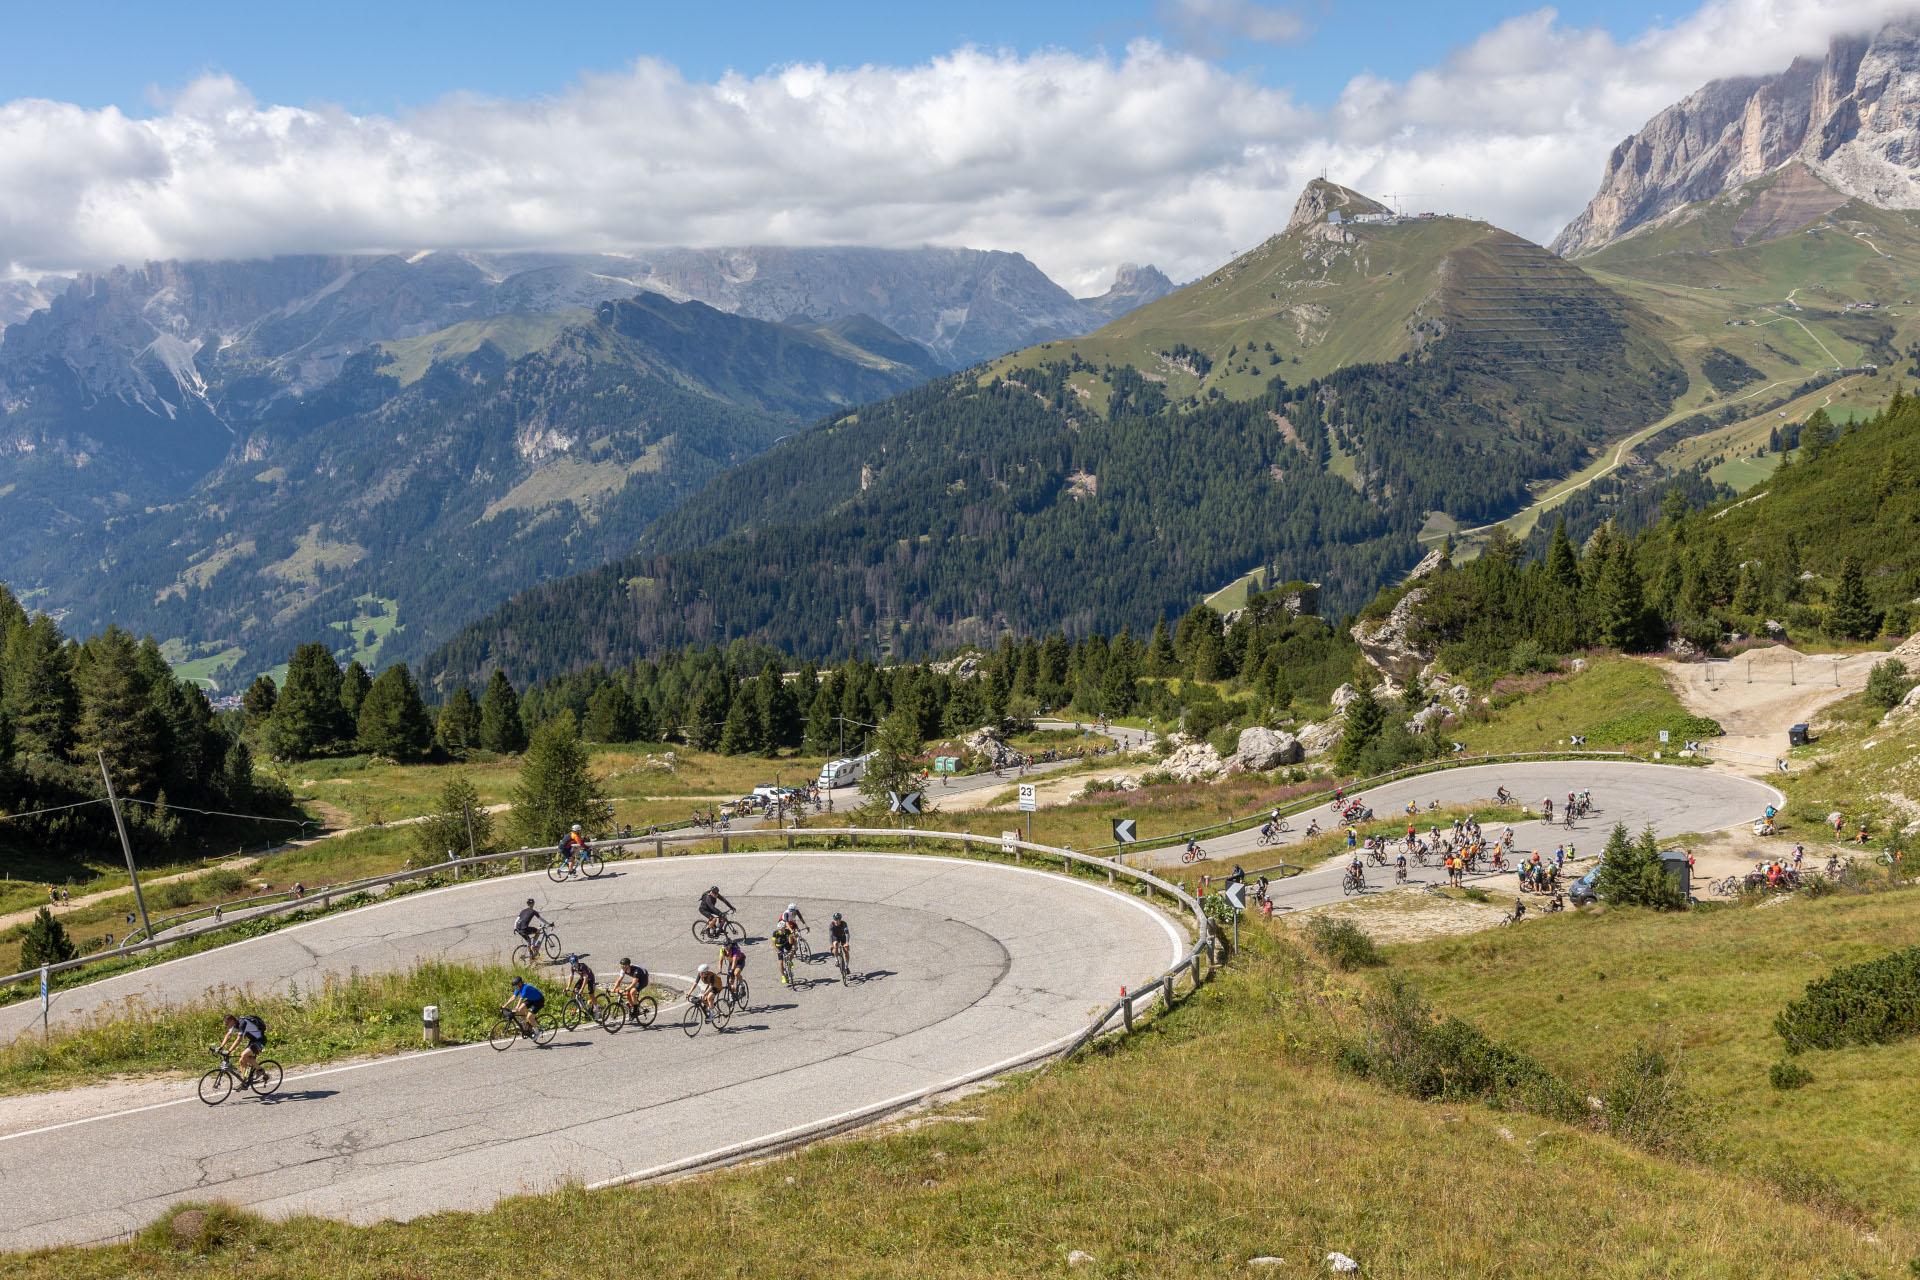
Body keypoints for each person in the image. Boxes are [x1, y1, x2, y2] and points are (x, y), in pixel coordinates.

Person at [218, 1013, 267, 1083]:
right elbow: (228, 1035)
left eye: (227, 1023)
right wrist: (221, 1047)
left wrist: (229, 1051)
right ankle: (245, 1079)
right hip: (253, 1041)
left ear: (231, 1021)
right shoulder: (235, 1023)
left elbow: (239, 1039)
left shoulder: (242, 1023)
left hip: (260, 1040)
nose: (226, 1025)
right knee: (242, 1060)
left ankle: (260, 1070)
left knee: (244, 1055)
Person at [771, 916, 797, 984]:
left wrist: (793, 947)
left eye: (782, 929)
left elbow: (791, 941)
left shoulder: (787, 931)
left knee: (793, 951)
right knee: (781, 962)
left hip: (786, 944)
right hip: (779, 947)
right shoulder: (775, 933)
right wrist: (778, 951)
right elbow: (773, 944)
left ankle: (790, 961)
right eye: (780, 929)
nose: (781, 930)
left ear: (785, 928)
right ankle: (783, 976)